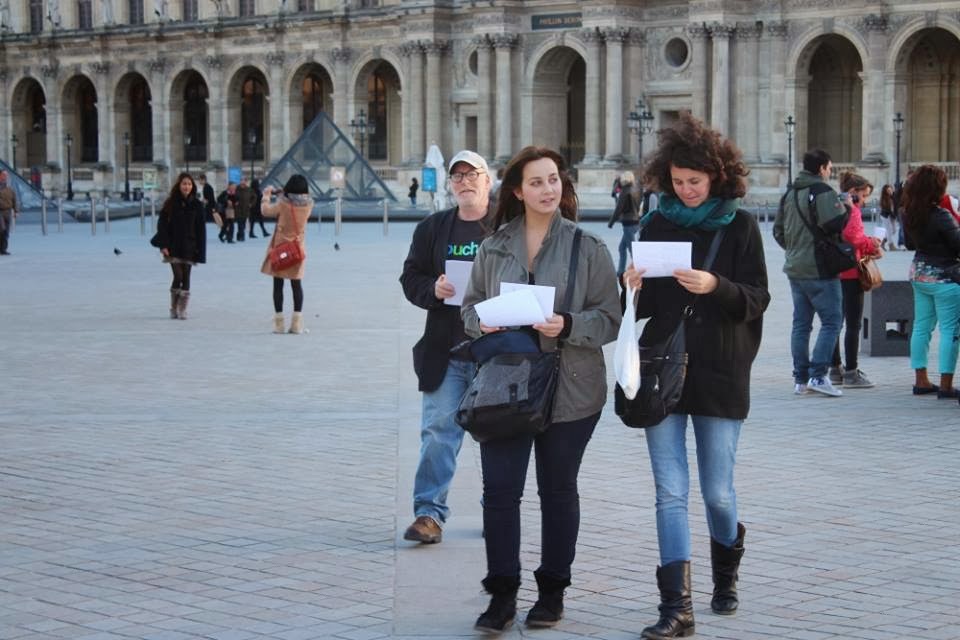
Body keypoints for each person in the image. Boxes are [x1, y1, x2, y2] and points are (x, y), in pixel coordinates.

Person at [461, 146, 620, 633]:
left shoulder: (587, 246)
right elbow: (469, 311)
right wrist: (482, 325)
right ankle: (501, 594)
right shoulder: (494, 247)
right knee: (500, 492)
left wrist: (567, 323)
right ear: (517, 190)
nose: (549, 189)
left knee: (557, 490)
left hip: (571, 387)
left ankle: (552, 592)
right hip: (505, 386)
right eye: (537, 182)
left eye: (554, 180)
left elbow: (610, 318)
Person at [622, 113, 769, 639]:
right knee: (669, 489)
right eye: (677, 181)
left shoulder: (742, 226)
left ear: (717, 178)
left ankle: (726, 574)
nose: (684, 191)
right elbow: (637, 310)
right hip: (663, 369)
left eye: (695, 182)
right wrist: (632, 286)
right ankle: (675, 608)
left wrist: (716, 285)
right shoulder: (655, 223)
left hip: (720, 372)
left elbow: (757, 299)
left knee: (718, 493)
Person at [398, 150, 493, 546]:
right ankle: (428, 514)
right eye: (457, 176)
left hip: (495, 351)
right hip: (447, 348)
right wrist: (432, 291)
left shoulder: (506, 229)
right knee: (438, 432)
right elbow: (410, 277)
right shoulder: (433, 228)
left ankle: (498, 509)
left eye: (473, 174)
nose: (465, 181)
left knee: (498, 435)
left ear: (489, 180)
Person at [773, 148, 849, 397]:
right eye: (829, 167)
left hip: (795, 268)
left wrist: (796, 249)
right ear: (821, 168)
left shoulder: (790, 193)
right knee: (832, 321)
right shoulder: (823, 191)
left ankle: (800, 379)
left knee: (801, 324)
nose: (830, 172)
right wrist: (846, 208)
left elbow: (778, 232)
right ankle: (818, 374)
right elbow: (834, 224)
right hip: (820, 268)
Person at [901, 164, 960, 399]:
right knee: (950, 330)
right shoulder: (941, 215)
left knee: (921, 327)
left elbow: (908, 244)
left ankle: (921, 380)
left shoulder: (909, 213)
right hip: (945, 277)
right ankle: (946, 385)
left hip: (919, 274)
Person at [828, 172, 883, 389]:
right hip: (850, 272)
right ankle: (851, 371)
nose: (865, 200)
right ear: (854, 192)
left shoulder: (832, 206)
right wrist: (872, 243)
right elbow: (854, 237)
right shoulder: (852, 210)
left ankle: (835, 368)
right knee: (853, 324)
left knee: (834, 323)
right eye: (864, 195)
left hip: (834, 270)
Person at [150, 173, 206, 319]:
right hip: (173, 245)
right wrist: (163, 245)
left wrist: (200, 251)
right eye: (184, 184)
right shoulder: (170, 203)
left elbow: (201, 230)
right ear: (179, 185)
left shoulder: (197, 205)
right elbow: (162, 226)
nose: (186, 186)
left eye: (189, 184)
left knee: (186, 276)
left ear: (192, 186)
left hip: (190, 246)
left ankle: (182, 309)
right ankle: (173, 306)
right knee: (178, 275)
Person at [260, 175, 312, 334]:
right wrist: (286, 193)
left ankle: (279, 324)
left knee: (278, 285)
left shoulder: (283, 204)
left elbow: (265, 211)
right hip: (297, 249)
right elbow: (298, 200)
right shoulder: (309, 205)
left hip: (281, 250)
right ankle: (296, 324)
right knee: (296, 285)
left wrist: (266, 196)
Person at [607, 170, 641, 276]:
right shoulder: (635, 189)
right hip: (635, 220)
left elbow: (619, 208)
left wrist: (611, 222)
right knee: (622, 247)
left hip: (628, 222)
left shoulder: (625, 191)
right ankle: (621, 271)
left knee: (632, 250)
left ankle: (639, 271)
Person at [0, 169, 18, 256]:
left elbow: (14, 200)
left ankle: (3, 249)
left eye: (6, 175)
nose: (5, 177)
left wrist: (16, 211)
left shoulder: (9, 188)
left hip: (8, 211)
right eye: (3, 175)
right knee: (1, 229)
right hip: (0, 211)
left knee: (6, 231)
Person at [879, 184, 900, 251]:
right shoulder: (884, 198)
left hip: (892, 216)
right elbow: (887, 209)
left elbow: (896, 206)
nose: (890, 191)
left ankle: (882, 242)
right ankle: (891, 245)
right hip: (886, 216)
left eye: (890, 189)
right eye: (888, 190)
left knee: (893, 230)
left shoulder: (893, 196)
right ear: (885, 191)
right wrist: (892, 215)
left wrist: (894, 216)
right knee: (889, 230)